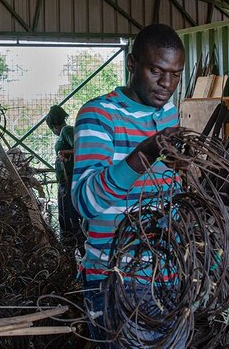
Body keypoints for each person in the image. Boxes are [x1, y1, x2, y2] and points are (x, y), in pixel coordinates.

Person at [71, 23, 189, 347]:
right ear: (132, 64)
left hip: (166, 275)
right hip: (116, 281)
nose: (167, 84)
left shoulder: (168, 114)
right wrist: (144, 154)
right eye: (157, 71)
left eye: (176, 74)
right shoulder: (99, 115)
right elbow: (85, 202)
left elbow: (170, 194)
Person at [46, 104, 82, 246]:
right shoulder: (66, 132)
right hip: (65, 182)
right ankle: (70, 247)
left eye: (52, 128)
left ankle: (75, 245)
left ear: (54, 125)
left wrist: (64, 153)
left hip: (70, 181)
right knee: (65, 216)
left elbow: (81, 148)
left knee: (70, 216)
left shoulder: (66, 130)